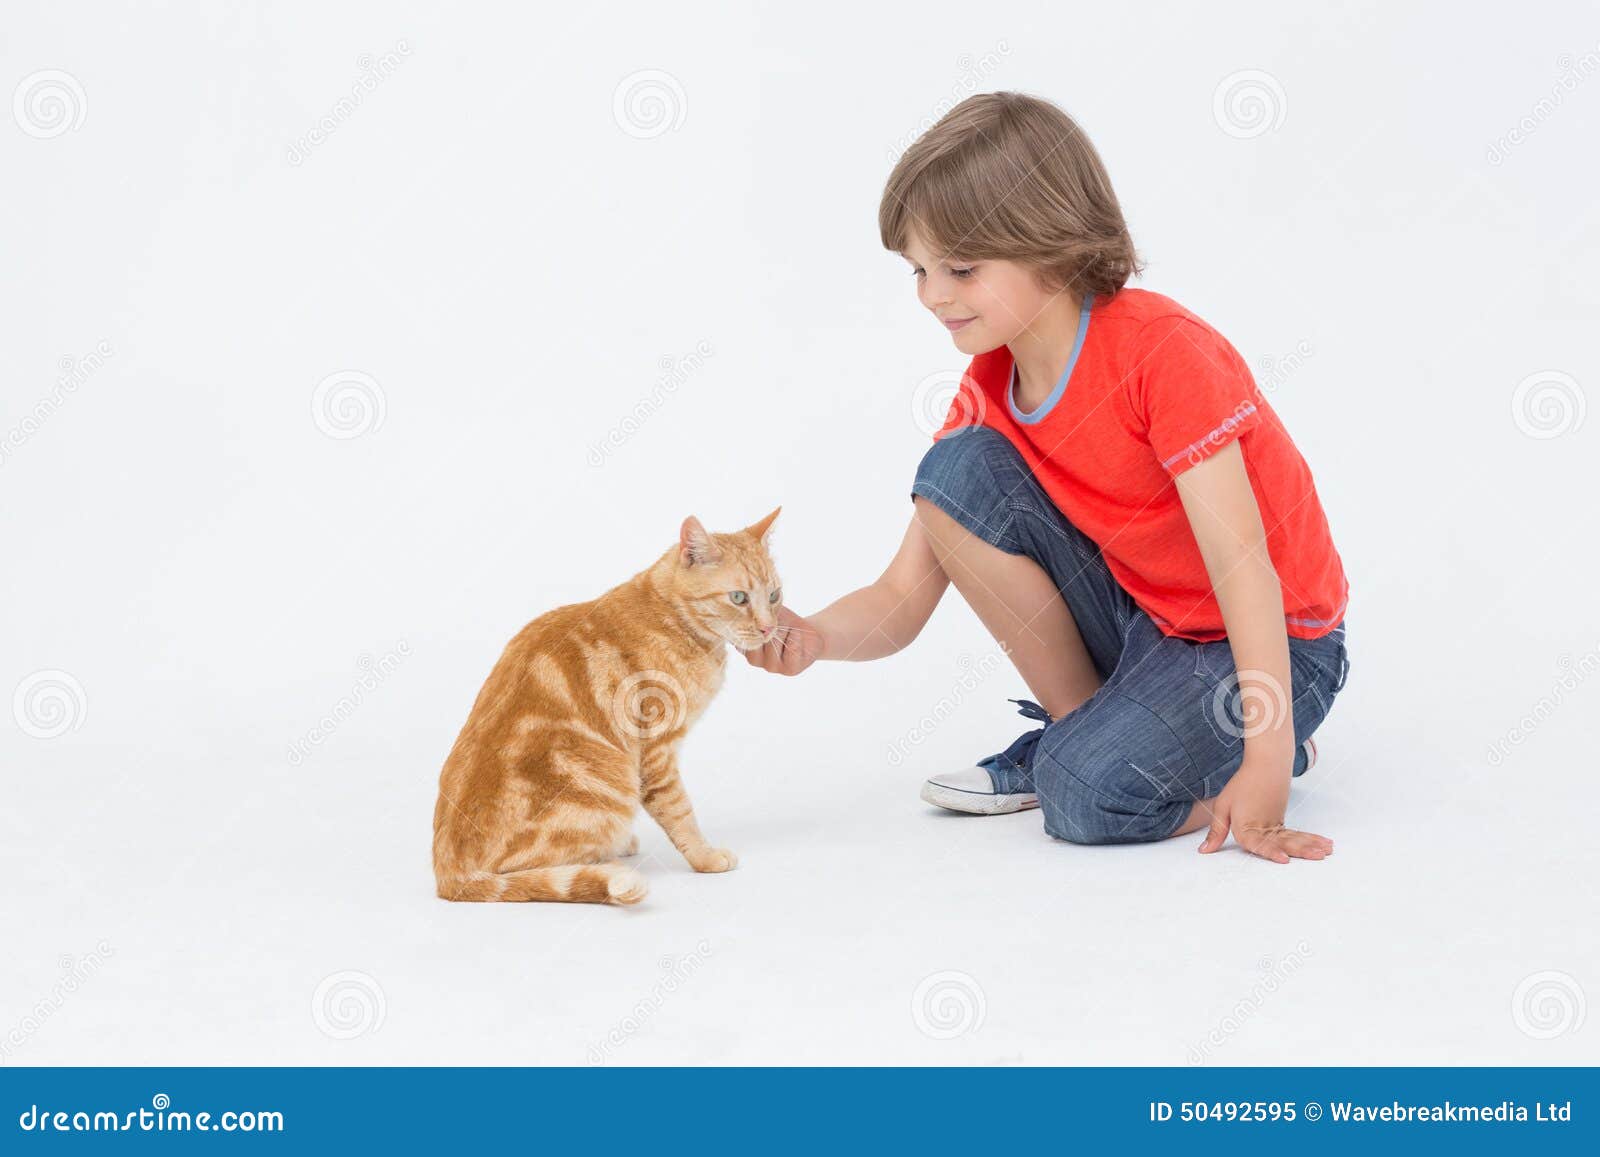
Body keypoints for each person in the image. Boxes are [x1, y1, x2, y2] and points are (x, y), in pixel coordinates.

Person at [746, 92, 1350, 864]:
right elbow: (900, 596)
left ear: (1052, 248)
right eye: (920, 270)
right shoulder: (989, 386)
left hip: (1275, 645)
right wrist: (814, 637)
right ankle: (1086, 729)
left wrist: (1263, 762)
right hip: (1149, 620)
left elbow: (1243, 566)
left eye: (961, 268)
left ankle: (1256, 752)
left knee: (1083, 796)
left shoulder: (1159, 351)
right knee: (955, 471)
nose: (933, 295)